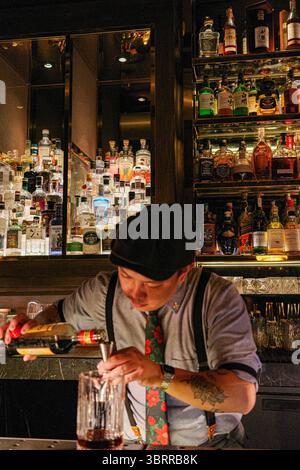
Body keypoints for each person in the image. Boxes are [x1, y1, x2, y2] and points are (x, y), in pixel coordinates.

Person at [0, 205, 261, 448]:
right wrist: (33, 327)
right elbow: (58, 315)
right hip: (132, 445)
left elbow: (242, 395)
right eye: (126, 276)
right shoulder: (106, 290)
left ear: (184, 272)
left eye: (152, 284)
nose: (135, 294)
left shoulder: (215, 297)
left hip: (208, 445)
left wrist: (159, 374)